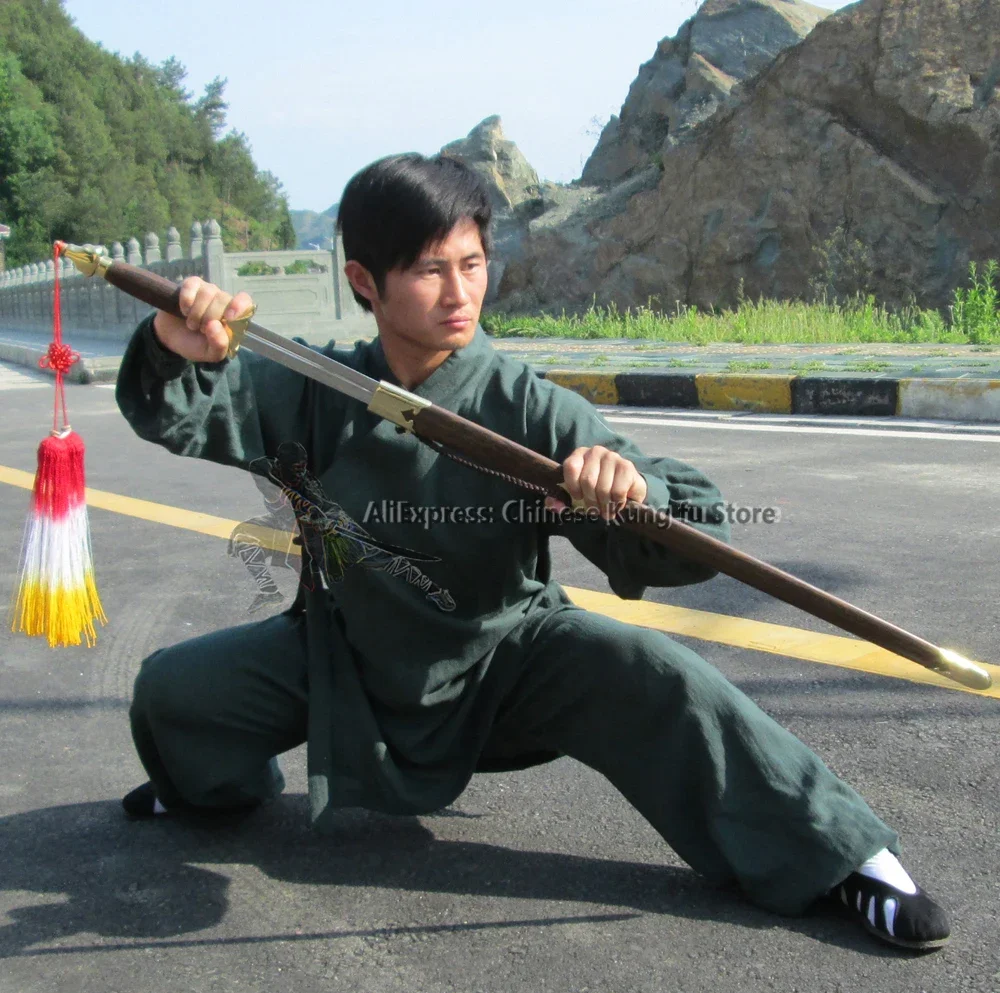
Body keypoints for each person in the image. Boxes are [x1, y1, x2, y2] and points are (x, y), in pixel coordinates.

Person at [115, 153, 950, 951]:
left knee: (656, 676)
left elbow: (696, 528)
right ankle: (216, 789)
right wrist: (171, 346)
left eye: (473, 264)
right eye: (429, 270)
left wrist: (633, 494)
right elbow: (190, 409)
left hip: (507, 659)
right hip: (346, 661)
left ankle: (847, 861)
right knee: (173, 694)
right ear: (364, 281)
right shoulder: (309, 384)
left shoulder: (529, 407)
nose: (459, 292)